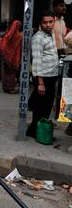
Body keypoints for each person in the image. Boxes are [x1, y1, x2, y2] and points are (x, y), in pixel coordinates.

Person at [26, 11, 59, 139]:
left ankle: (39, 131)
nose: (48, 25)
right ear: (41, 23)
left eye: (50, 22)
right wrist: (40, 83)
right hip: (43, 78)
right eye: (45, 22)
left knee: (47, 107)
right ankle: (35, 132)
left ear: (54, 22)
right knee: (40, 107)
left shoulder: (49, 35)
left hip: (51, 77)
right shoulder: (38, 38)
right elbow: (37, 61)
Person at [0, 20, 22, 93]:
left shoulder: (8, 34)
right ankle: (11, 89)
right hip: (13, 58)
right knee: (12, 74)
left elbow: (2, 42)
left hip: (6, 58)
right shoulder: (19, 35)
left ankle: (6, 87)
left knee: (6, 73)